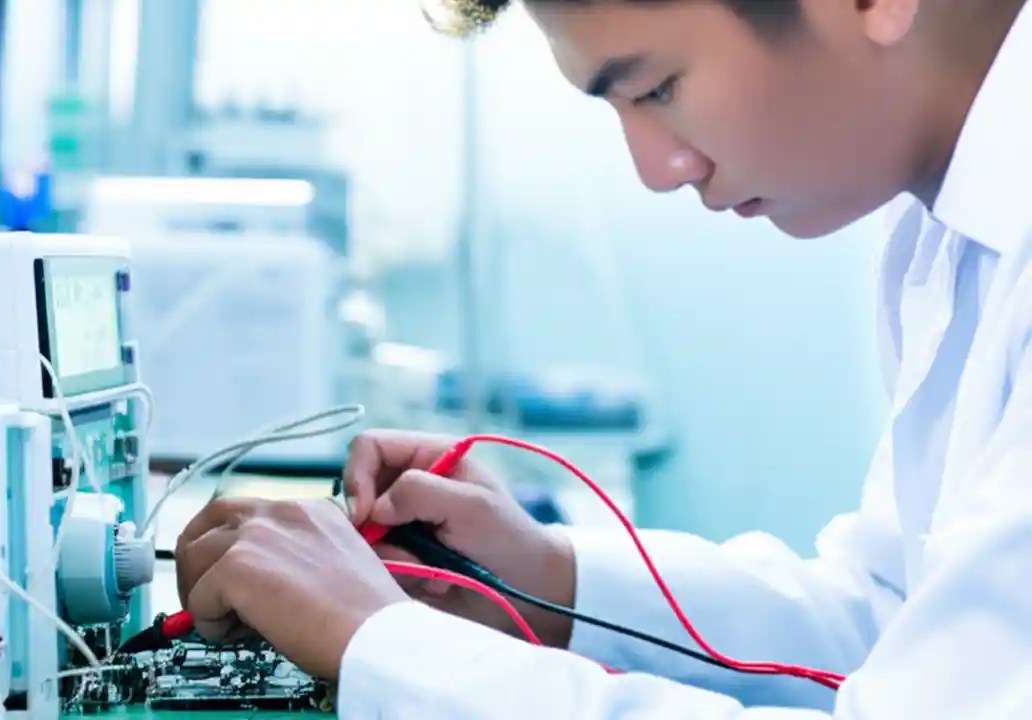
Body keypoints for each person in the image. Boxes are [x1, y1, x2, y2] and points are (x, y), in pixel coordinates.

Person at [173, 0, 1032, 716]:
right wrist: (549, 586)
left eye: (659, 86)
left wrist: (383, 644)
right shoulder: (943, 228)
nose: (656, 169)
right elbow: (896, 621)